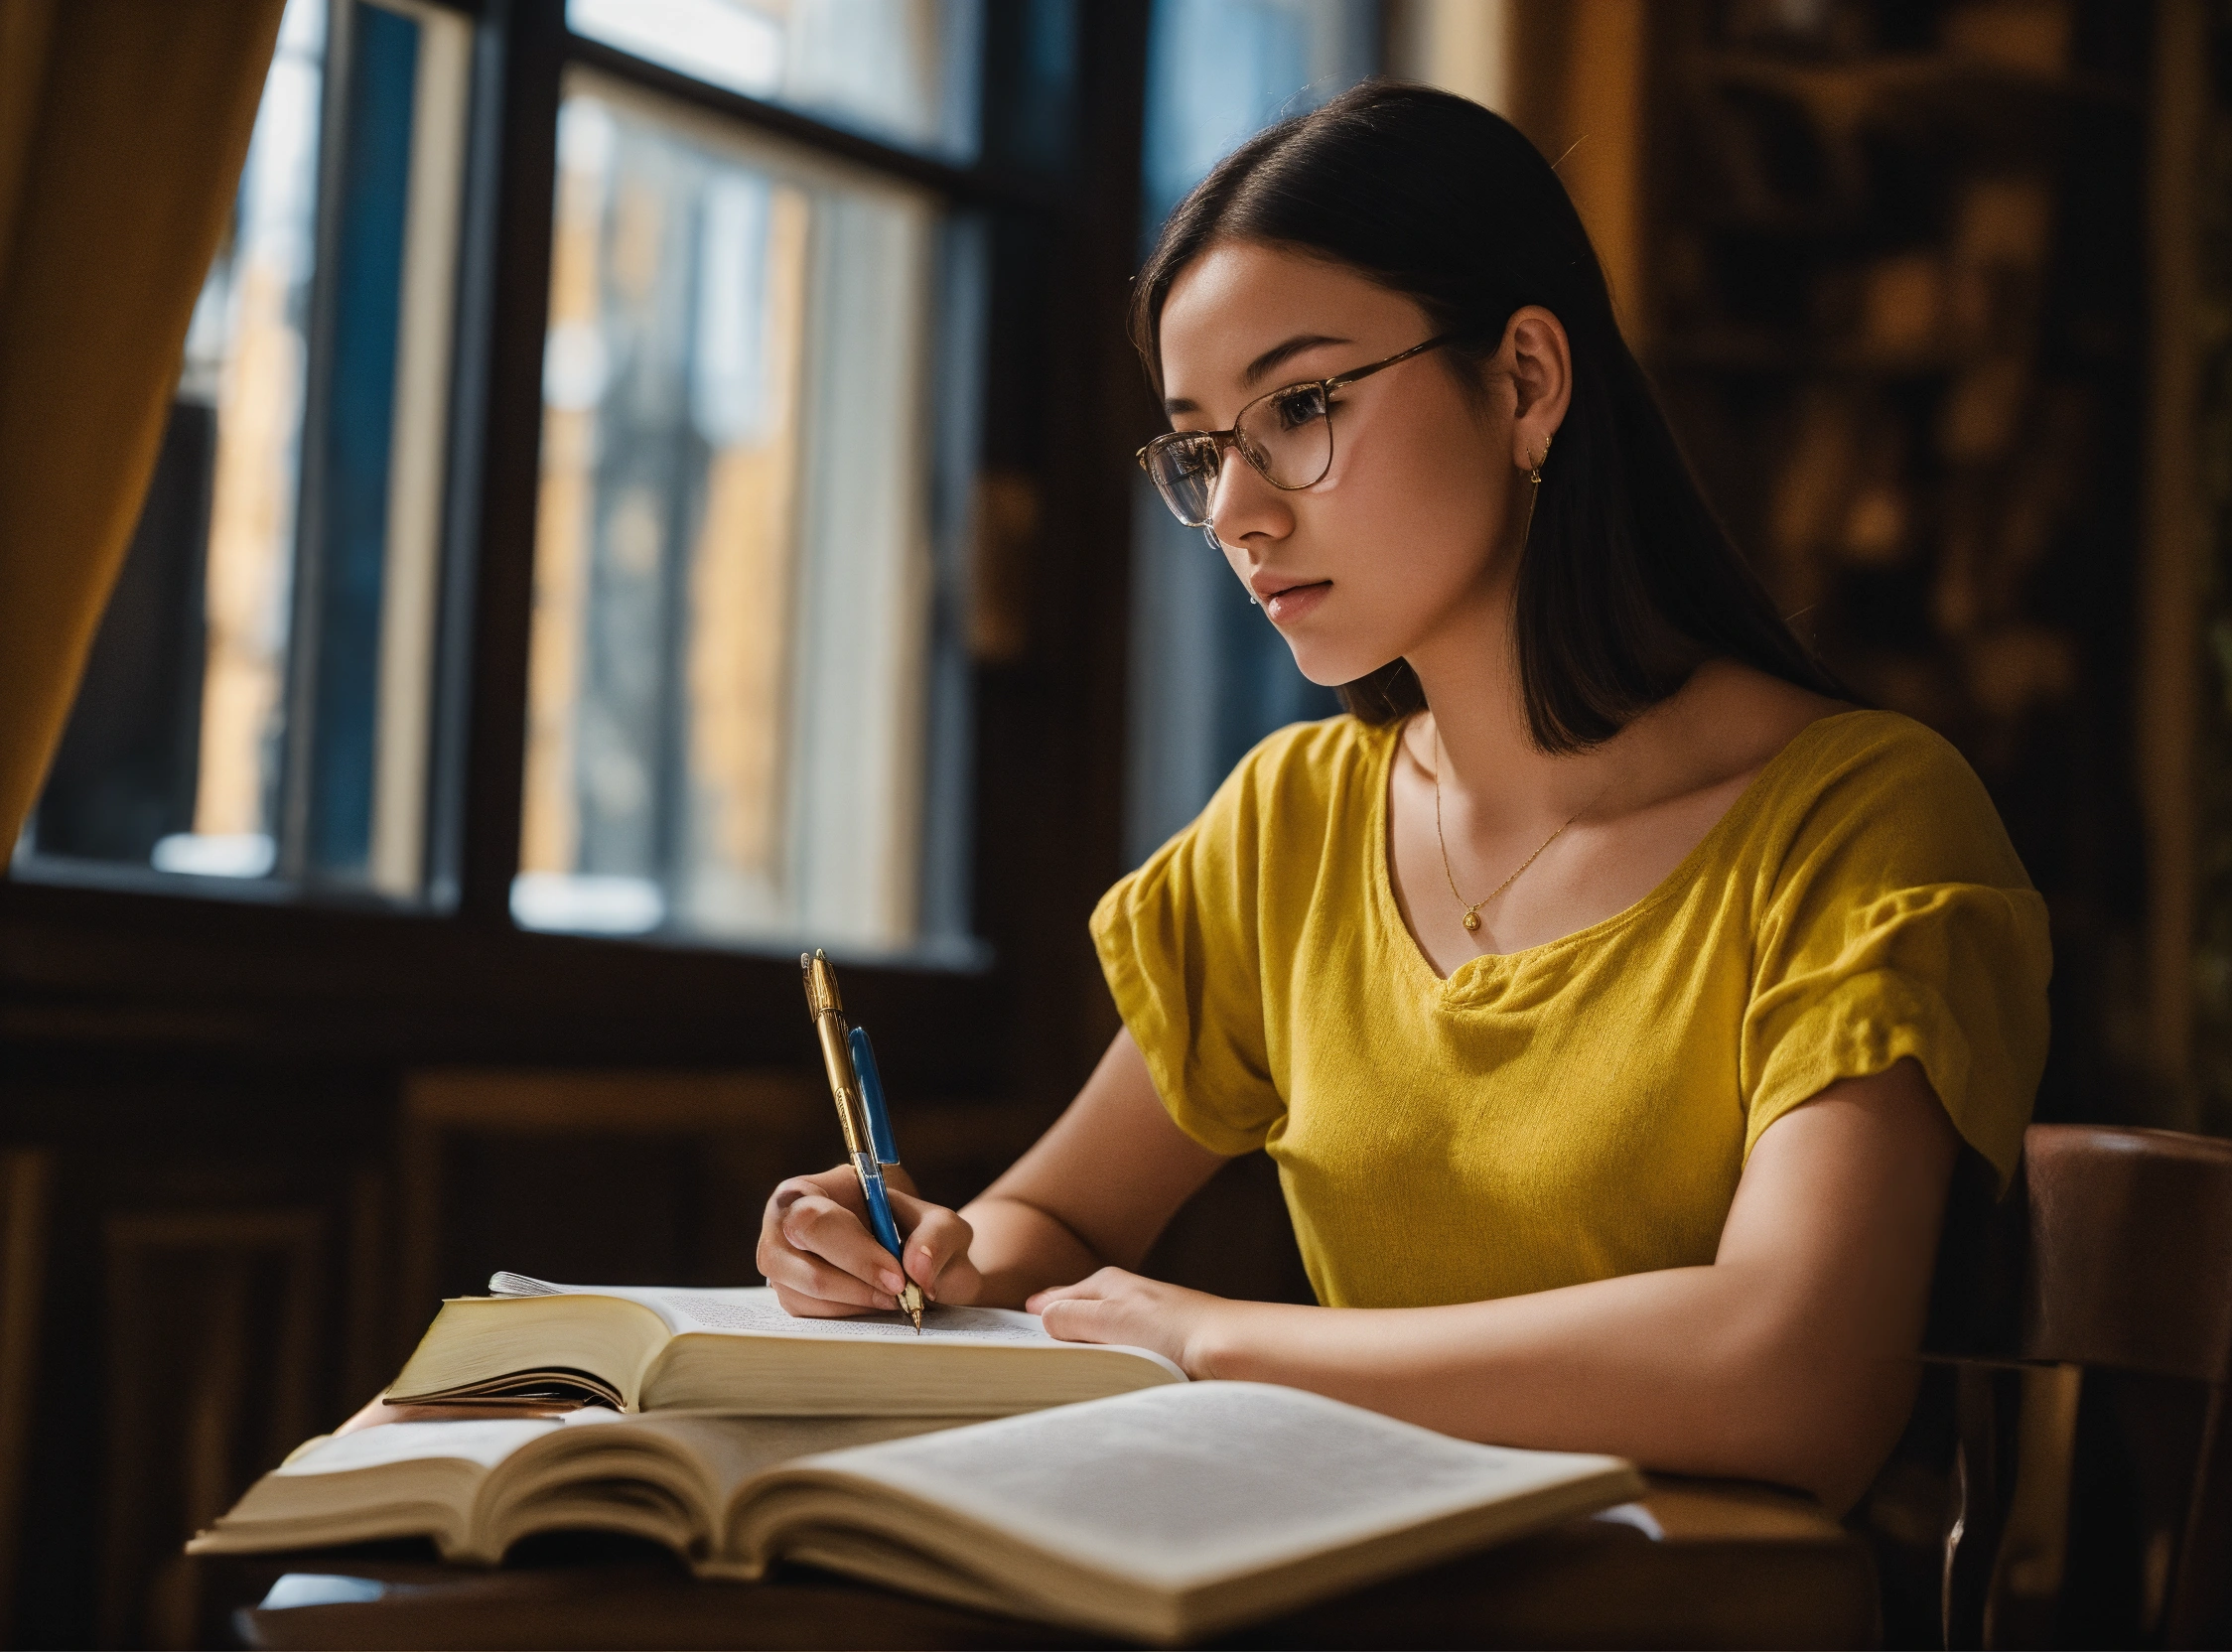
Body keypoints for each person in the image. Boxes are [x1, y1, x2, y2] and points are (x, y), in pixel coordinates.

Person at [758, 81, 2049, 1512]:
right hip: (1356, 1586)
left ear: (1525, 384)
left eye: (1300, 407)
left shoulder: (1858, 826)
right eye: (1202, 446)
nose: (1240, 510)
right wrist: (919, 1253)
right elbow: (1056, 1214)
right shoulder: (1293, 827)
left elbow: (1794, 1375)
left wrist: (1231, 1342)